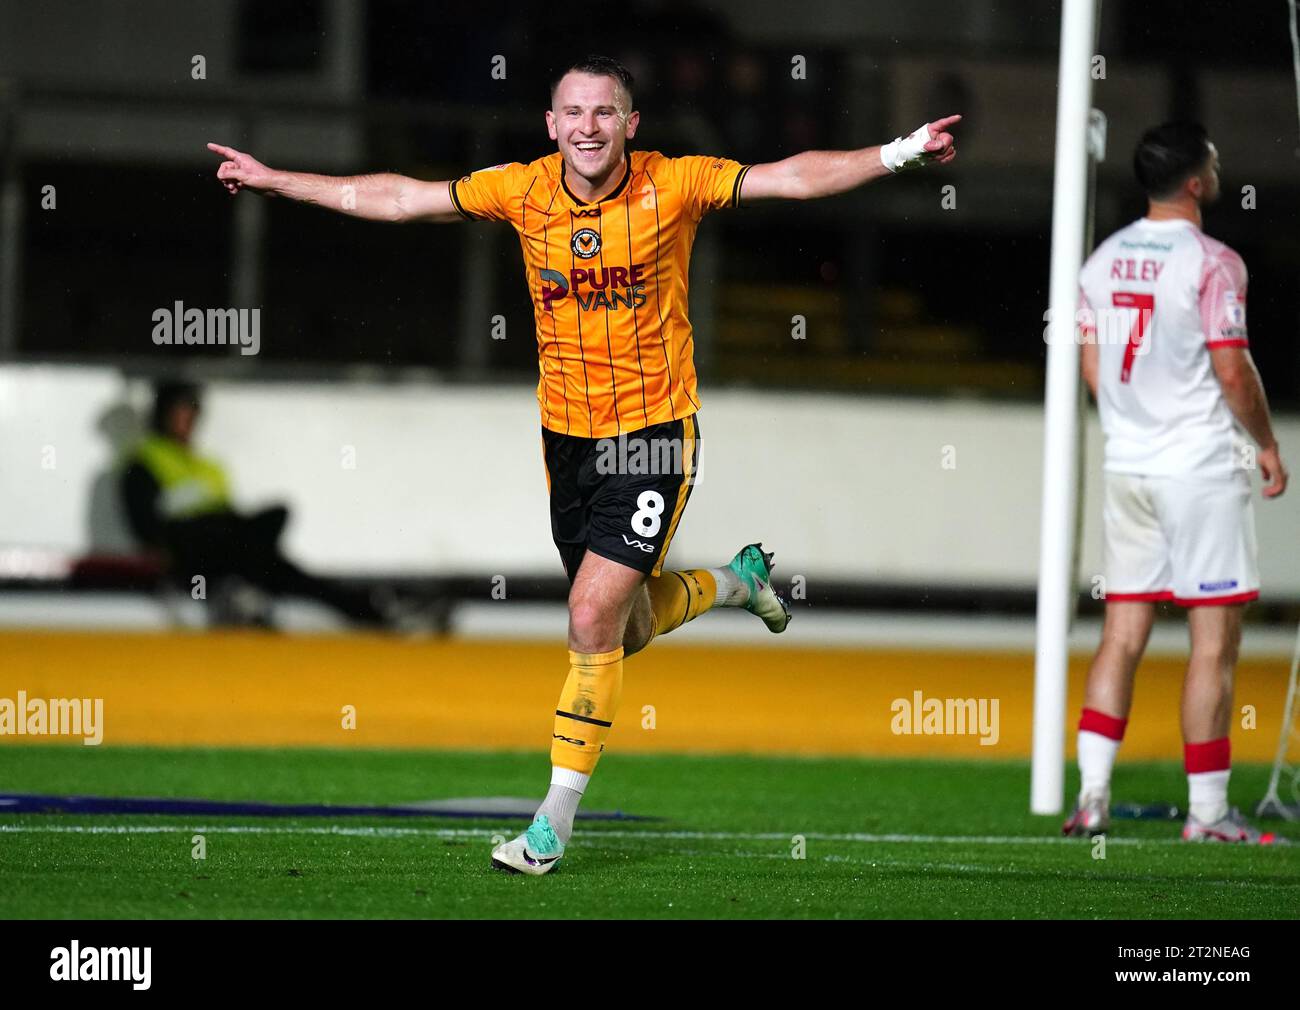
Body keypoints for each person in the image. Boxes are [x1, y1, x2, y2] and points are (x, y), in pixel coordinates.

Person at [208, 54, 959, 874]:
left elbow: (791, 179)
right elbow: (400, 198)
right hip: (566, 442)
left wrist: (899, 152)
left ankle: (552, 823)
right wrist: (279, 180)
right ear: (551, 124)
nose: (588, 127)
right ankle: (736, 583)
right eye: (573, 112)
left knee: (590, 615)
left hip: (653, 436)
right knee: (621, 630)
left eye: (605, 112)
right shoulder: (521, 189)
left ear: (631, 124)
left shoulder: (675, 183)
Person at [1067, 122, 1288, 844]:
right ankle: (1208, 812)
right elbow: (1233, 369)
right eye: (1213, 161)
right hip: (1198, 469)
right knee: (1213, 641)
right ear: (1195, 181)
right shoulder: (1213, 262)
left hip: (1128, 465)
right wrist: (1265, 443)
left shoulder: (1102, 261)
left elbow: (1093, 365)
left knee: (1122, 633)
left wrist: (1134, 424)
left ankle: (1092, 797)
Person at [123, 382, 392, 629]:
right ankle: (238, 594)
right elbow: (145, 526)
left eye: (191, 413)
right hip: (190, 548)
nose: (187, 421)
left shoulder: (210, 465)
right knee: (237, 545)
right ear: (162, 415)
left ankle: (369, 608)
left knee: (276, 533)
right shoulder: (146, 461)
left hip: (229, 543)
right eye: (179, 413)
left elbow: (225, 509)